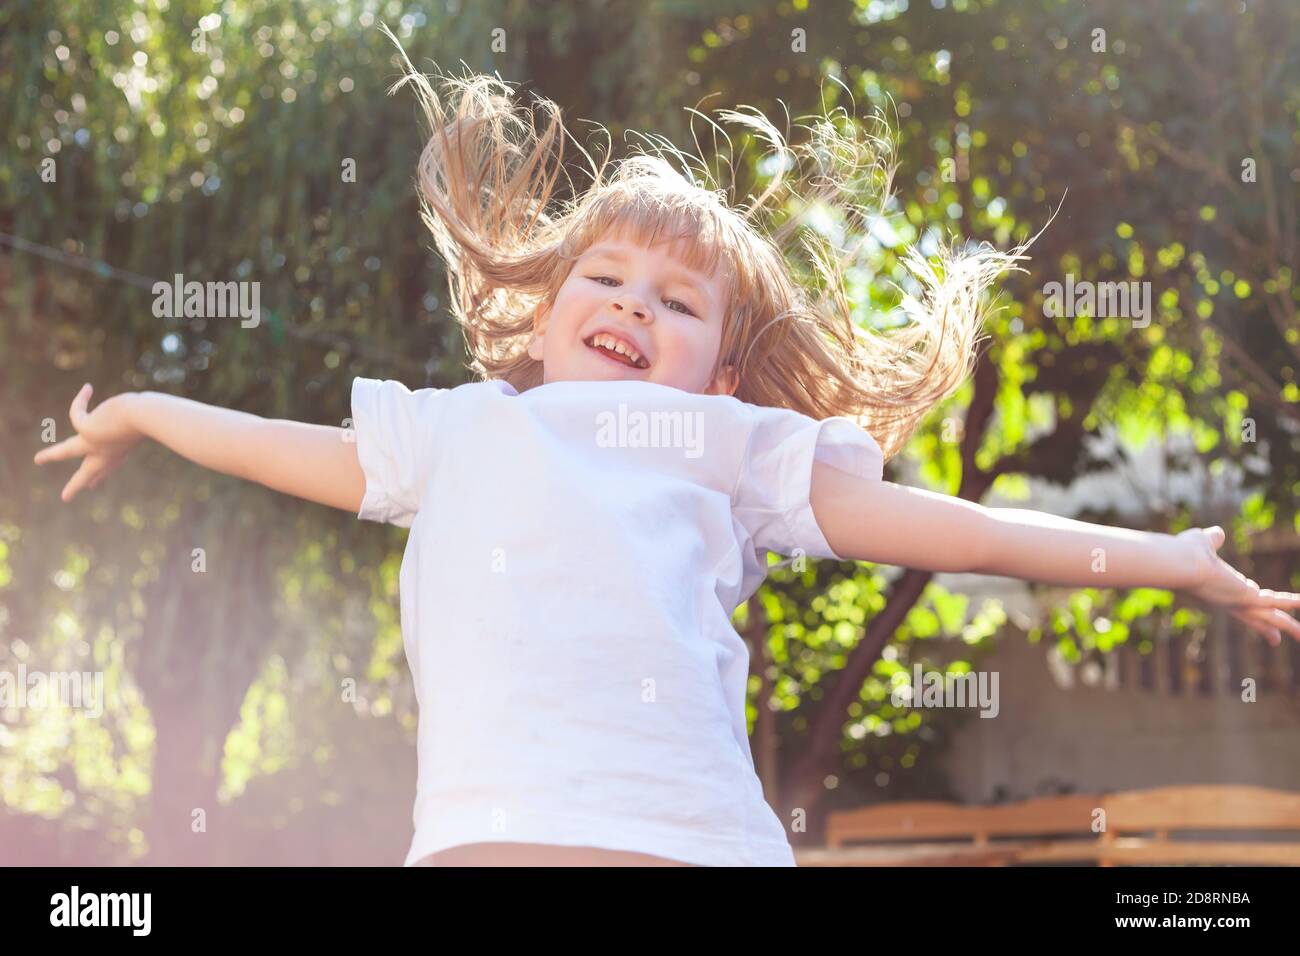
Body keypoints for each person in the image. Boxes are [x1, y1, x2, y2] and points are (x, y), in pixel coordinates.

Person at [34, 48, 1300, 868]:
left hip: (689, 842)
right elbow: (274, 447)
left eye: (679, 303)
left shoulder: (733, 446)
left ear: (724, 373)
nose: (636, 306)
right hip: (488, 840)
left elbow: (962, 533)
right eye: (608, 276)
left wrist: (1161, 558)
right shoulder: (460, 427)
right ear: (542, 315)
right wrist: (140, 406)